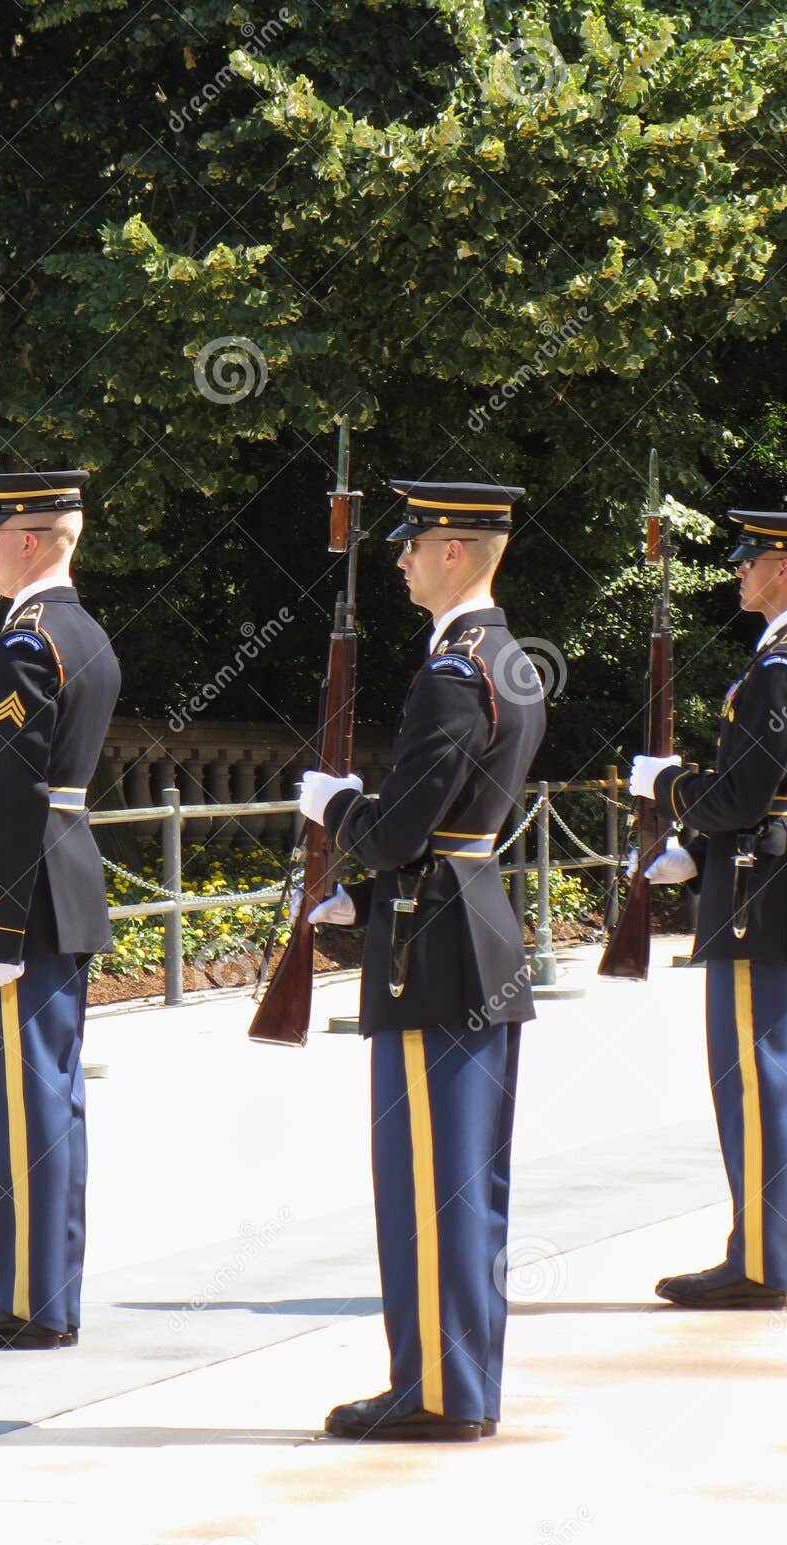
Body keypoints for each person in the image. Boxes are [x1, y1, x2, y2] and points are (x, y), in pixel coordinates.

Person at [300, 479, 546, 1440]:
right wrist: (362, 900)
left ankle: (436, 1394)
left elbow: (402, 831)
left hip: (431, 951)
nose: (400, 558)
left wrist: (337, 807)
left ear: (453, 552)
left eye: (412, 543)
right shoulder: (508, 659)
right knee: (469, 1182)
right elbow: (458, 825)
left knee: (428, 1183)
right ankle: (462, 1384)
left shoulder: (452, 672)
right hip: (470, 922)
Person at [631, 509, 787, 1310]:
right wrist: (697, 850)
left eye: (749, 559)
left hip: (763, 887)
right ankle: (760, 1253)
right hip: (771, 873)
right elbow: (765, 791)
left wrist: (668, 787)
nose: (738, 570)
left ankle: (761, 1263)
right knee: (769, 1078)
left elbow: (744, 794)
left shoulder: (784, 664)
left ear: (784, 567)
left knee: (758, 1081)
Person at [0, 470, 121, 1349]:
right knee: (50, 1098)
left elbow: (11, 789)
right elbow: (4, 736)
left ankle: (27, 1305)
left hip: (24, 895)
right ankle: (43, 1294)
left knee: (21, 1105)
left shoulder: (27, 644)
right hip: (60, 877)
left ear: (28, 542)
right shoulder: (74, 631)